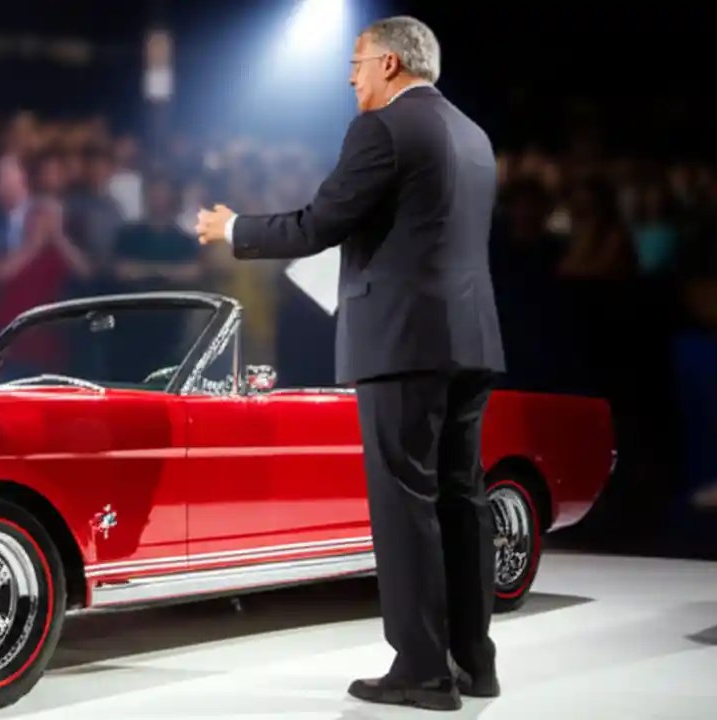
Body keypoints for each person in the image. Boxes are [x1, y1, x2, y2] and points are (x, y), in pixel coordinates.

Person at [196, 16, 504, 711]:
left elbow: (319, 223)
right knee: (461, 499)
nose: (350, 76)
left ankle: (421, 671)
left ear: (391, 64)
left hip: (403, 343)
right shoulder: (472, 134)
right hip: (470, 339)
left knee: (406, 504)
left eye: (358, 62)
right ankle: (474, 661)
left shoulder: (386, 128)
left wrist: (234, 228)